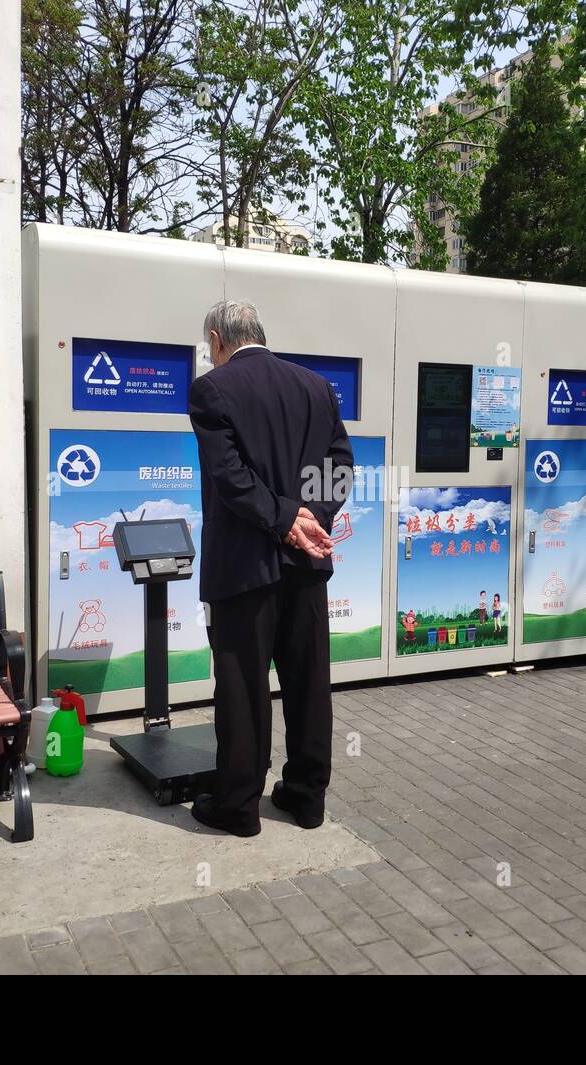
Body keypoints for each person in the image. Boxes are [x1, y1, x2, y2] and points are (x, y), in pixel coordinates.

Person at [187, 299, 353, 837]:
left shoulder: (212, 390)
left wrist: (287, 519)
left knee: (242, 687)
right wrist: (312, 518)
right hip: (306, 565)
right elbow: (340, 464)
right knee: (309, 683)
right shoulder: (315, 386)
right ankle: (306, 798)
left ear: (216, 339)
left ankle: (238, 805)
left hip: (243, 568)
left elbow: (230, 477)